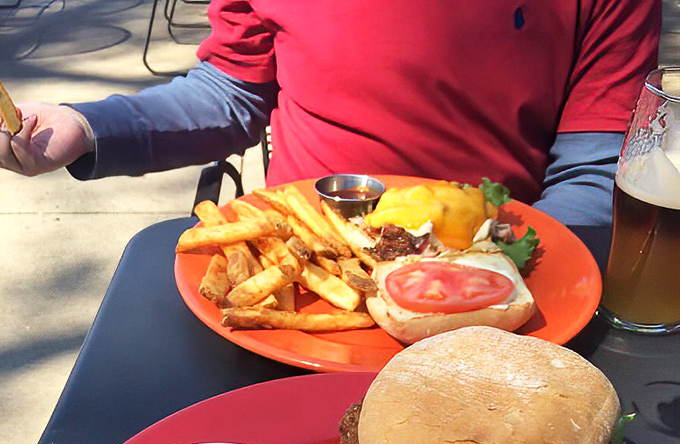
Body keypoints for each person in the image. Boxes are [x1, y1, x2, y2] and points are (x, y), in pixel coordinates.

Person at [0, 0, 661, 227]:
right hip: (305, 271)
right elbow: (232, 92)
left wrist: (485, 278)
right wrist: (88, 128)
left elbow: (594, 173)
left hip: (495, 283)